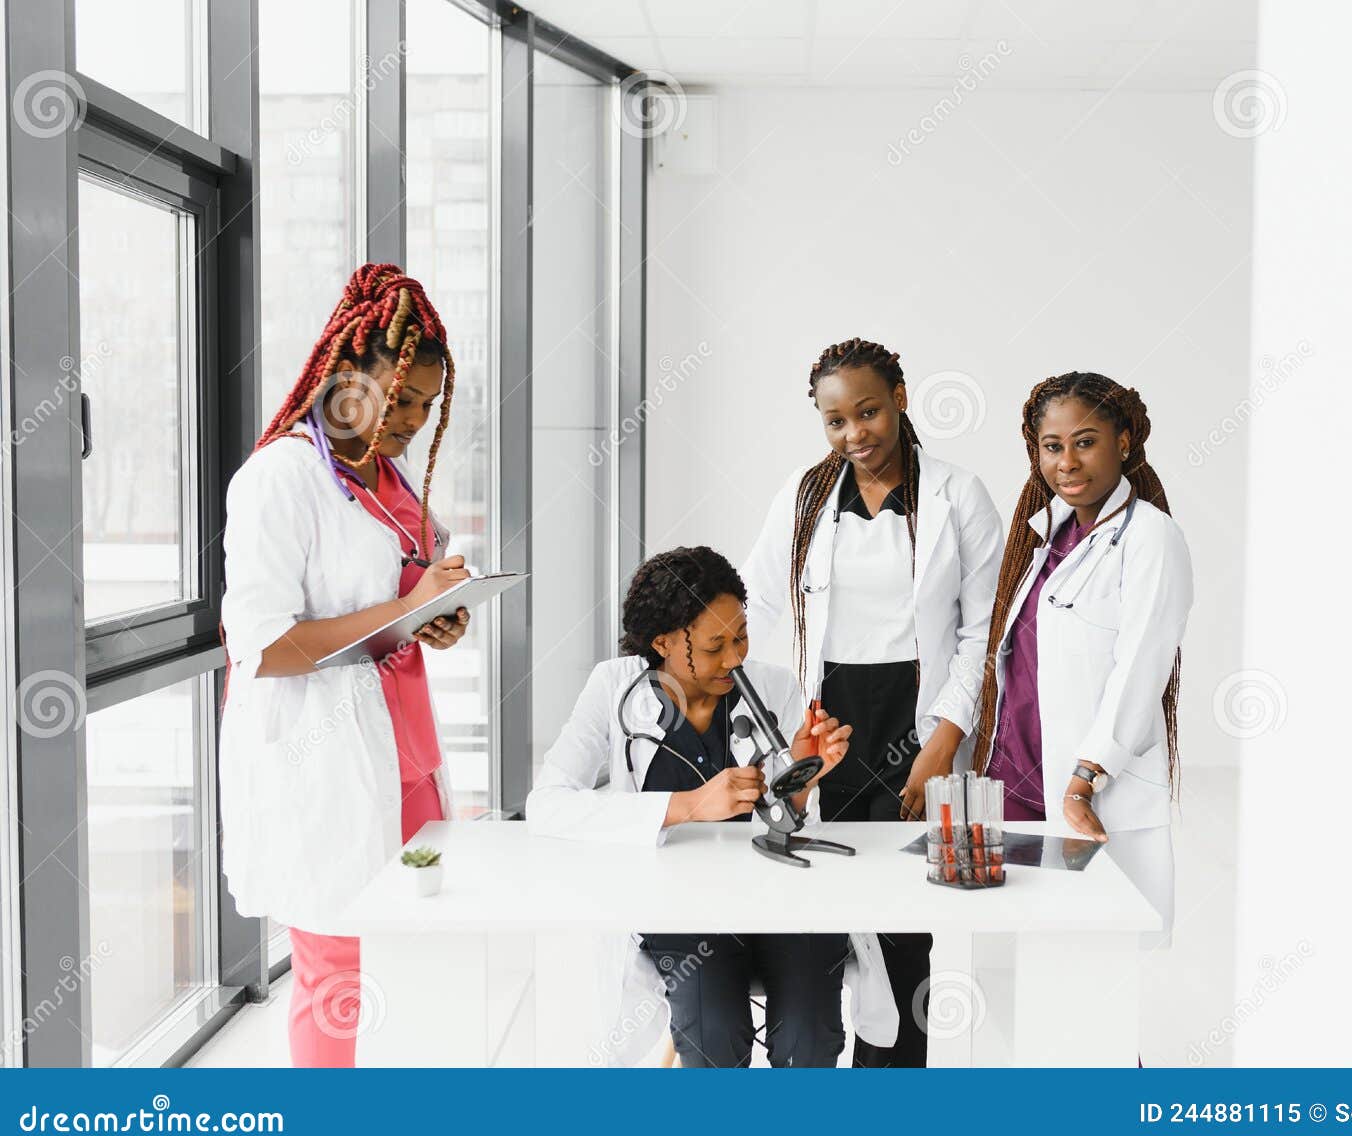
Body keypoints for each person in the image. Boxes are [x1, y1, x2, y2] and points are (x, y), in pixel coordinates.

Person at [218, 263, 473, 1066]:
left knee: (416, 955)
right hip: (319, 755)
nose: (412, 421)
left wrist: (440, 612)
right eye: (398, 398)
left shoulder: (386, 477)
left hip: (405, 754)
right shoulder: (280, 478)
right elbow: (263, 646)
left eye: (426, 407)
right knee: (337, 969)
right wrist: (407, 608)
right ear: (343, 375)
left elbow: (407, 585)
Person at [526, 546, 898, 1067]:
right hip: (681, 909)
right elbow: (547, 805)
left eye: (741, 635)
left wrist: (801, 778)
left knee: (809, 1035)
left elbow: (790, 824)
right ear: (663, 643)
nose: (735, 658)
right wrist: (688, 805)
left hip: (781, 904)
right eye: (715, 644)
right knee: (715, 1031)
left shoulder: (772, 687)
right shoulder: (614, 688)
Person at [741, 337, 1003, 1066]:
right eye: (835, 420)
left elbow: (985, 631)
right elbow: (761, 598)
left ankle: (891, 1088)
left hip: (919, 718)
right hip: (831, 725)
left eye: (869, 412)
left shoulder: (959, 495)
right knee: (833, 903)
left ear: (901, 400)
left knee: (904, 918)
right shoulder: (803, 495)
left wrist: (942, 743)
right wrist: (787, 712)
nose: (855, 433)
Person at [972, 371, 1193, 948]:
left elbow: (1141, 667)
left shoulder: (1150, 537)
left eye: (1085, 441)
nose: (1067, 461)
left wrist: (1084, 779)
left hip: (1082, 792)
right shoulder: (1043, 538)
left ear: (1123, 442)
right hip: (1014, 783)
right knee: (1016, 965)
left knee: (1092, 970)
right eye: (1052, 446)